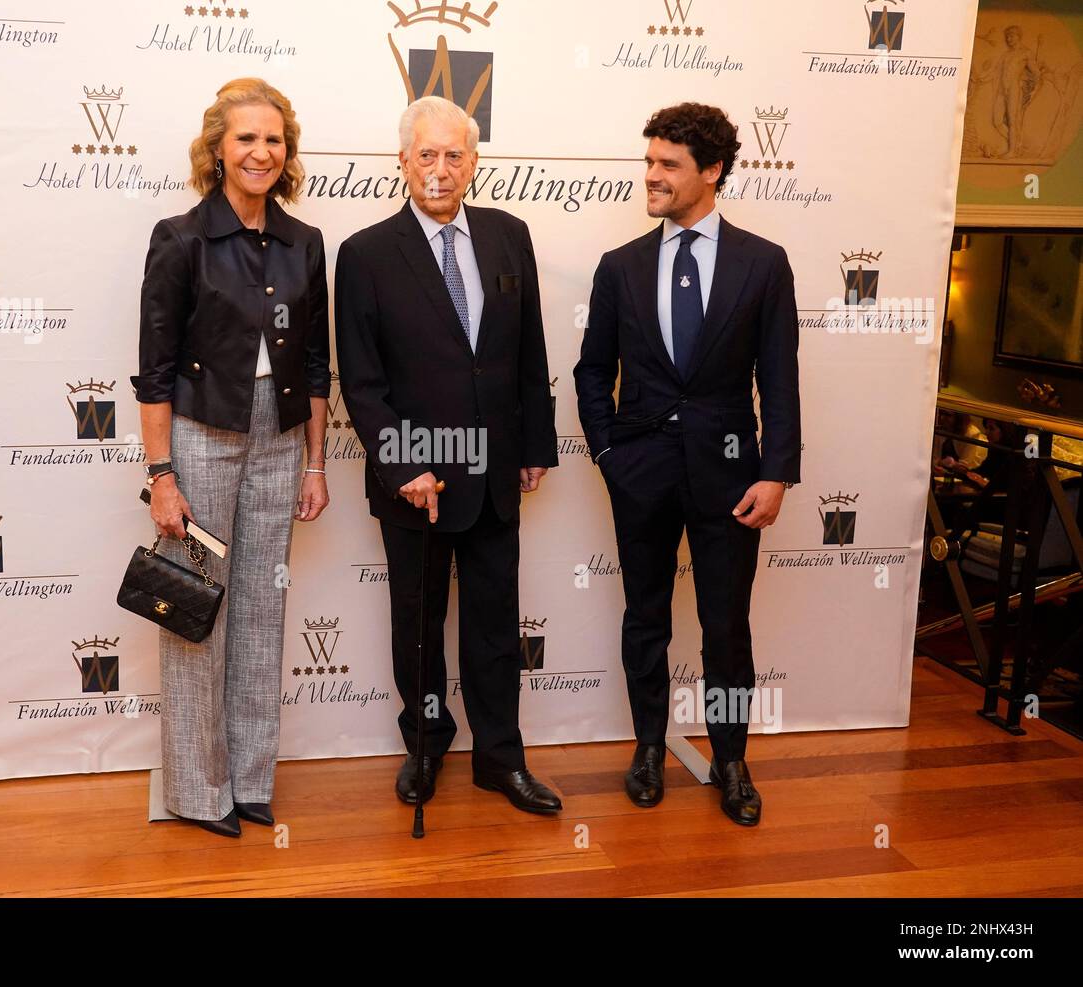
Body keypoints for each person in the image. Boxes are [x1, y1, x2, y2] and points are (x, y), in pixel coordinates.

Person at [574, 102, 801, 826]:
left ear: (711, 171)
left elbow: (781, 377)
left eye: (669, 165)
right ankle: (647, 746)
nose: (653, 176)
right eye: (649, 162)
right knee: (644, 618)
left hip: (733, 476)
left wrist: (776, 472)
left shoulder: (763, 264)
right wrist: (610, 453)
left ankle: (731, 760)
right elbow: (591, 370)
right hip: (641, 471)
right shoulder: (622, 267)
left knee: (725, 625)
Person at [335, 96, 561, 814]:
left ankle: (500, 759)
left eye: (454, 155)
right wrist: (403, 465)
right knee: (420, 629)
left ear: (474, 161)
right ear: (402, 161)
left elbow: (529, 351)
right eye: (426, 155)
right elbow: (362, 382)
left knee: (496, 626)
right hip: (417, 482)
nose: (440, 169)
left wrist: (534, 444)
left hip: (495, 474)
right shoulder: (364, 253)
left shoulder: (508, 236)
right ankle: (426, 748)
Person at [132, 78, 330, 838]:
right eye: (246, 138)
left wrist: (315, 461)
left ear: (288, 153)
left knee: (258, 611)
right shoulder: (180, 238)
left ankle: (249, 779)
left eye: (274, 139)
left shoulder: (303, 242)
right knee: (195, 610)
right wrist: (162, 475)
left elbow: (314, 364)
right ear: (217, 150)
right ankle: (195, 786)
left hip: (279, 437)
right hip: (201, 433)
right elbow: (154, 368)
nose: (261, 151)